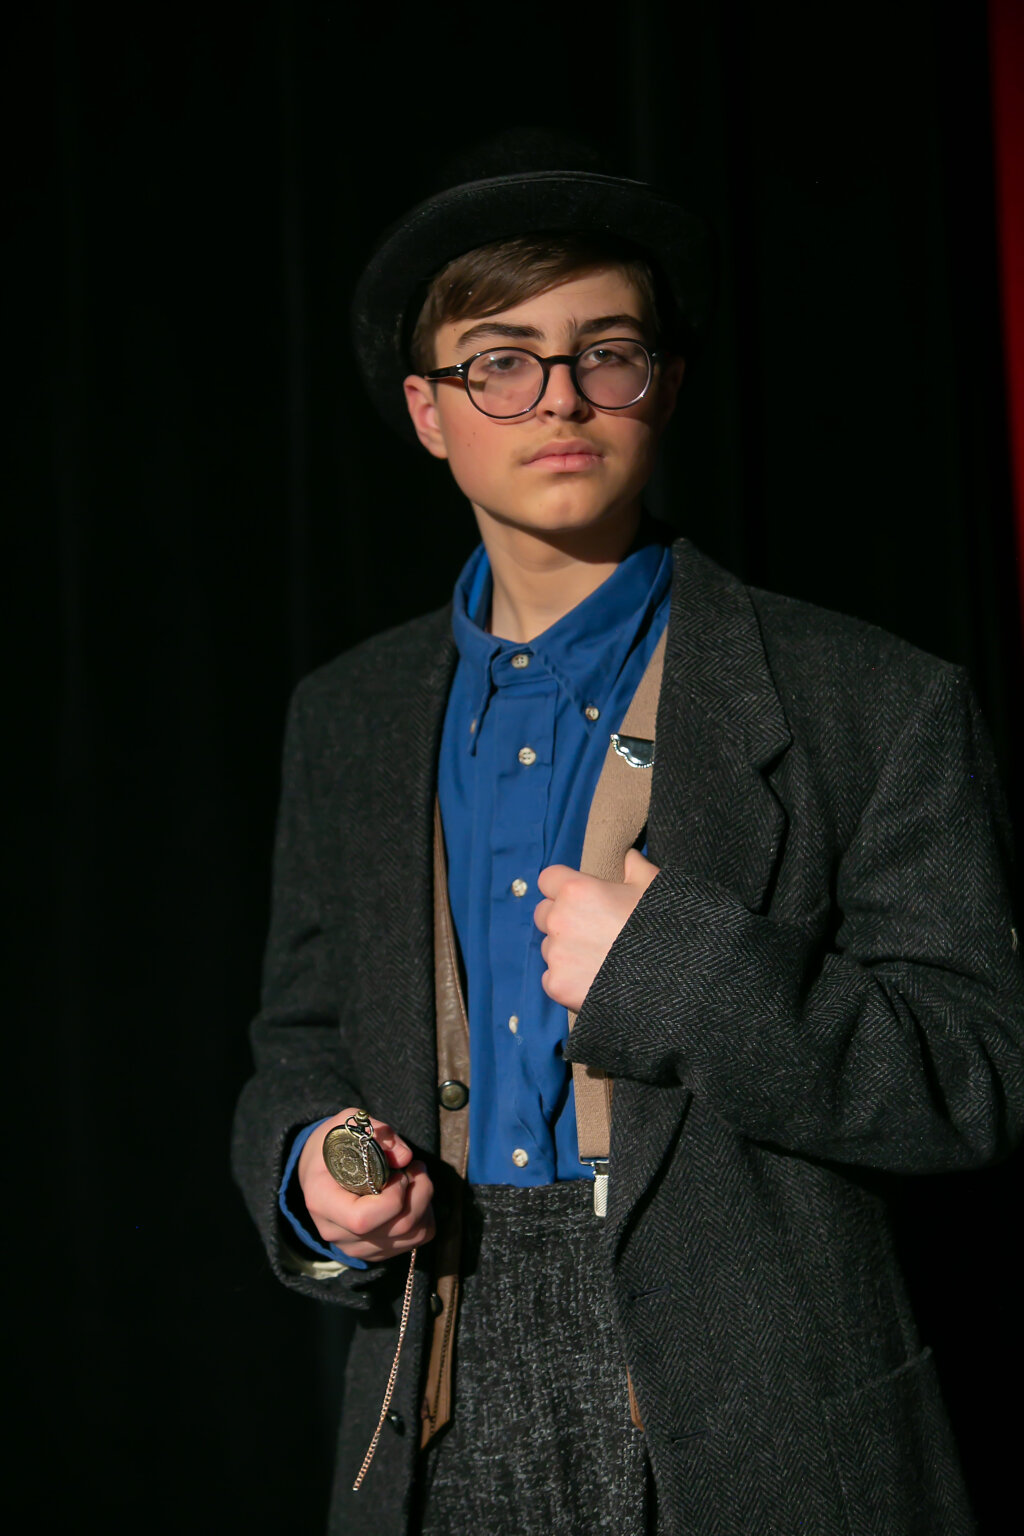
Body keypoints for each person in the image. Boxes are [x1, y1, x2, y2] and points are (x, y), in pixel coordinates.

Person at [231, 133, 1024, 1536]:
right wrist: (308, 1171)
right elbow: (299, 1038)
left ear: (665, 383)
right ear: (429, 412)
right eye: (501, 361)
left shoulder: (874, 701)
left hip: (760, 1420)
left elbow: (973, 1080)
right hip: (437, 1392)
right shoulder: (346, 716)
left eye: (607, 353)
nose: (560, 397)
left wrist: (684, 973)